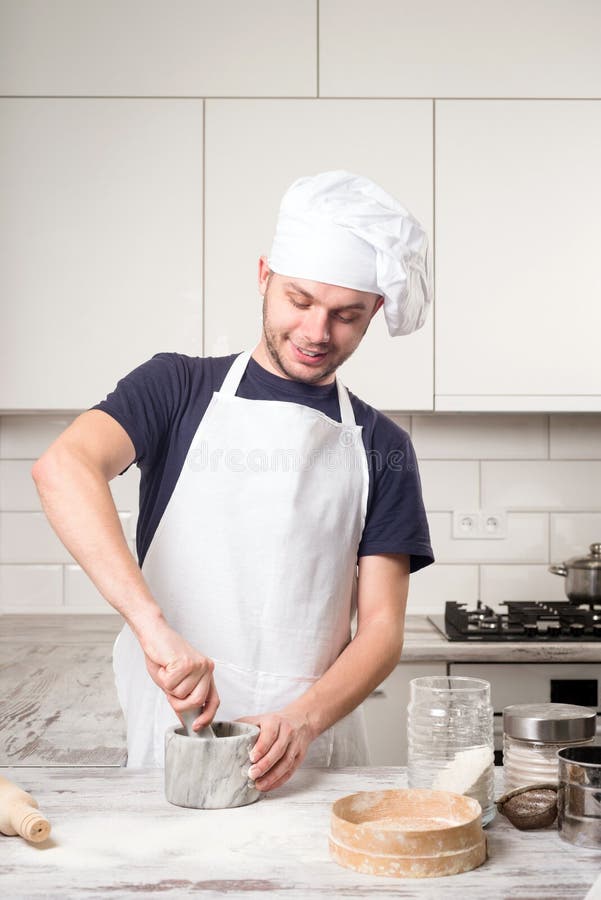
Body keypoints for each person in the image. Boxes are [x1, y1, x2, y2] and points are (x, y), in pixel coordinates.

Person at [32, 170, 435, 792]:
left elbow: (381, 630)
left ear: (373, 313)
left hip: (311, 749)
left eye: (346, 316)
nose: (317, 333)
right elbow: (63, 467)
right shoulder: (175, 388)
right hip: (174, 732)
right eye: (299, 301)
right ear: (263, 277)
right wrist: (152, 627)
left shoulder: (382, 446)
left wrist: (301, 723)